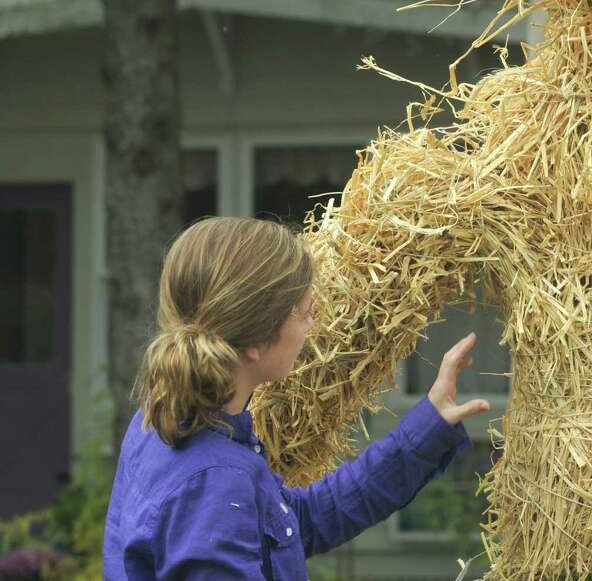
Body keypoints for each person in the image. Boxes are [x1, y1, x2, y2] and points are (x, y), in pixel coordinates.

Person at [103, 217, 490, 580]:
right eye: (303, 313)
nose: (311, 326)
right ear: (256, 341)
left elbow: (297, 524)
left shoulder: (162, 416)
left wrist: (429, 425)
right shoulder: (216, 484)